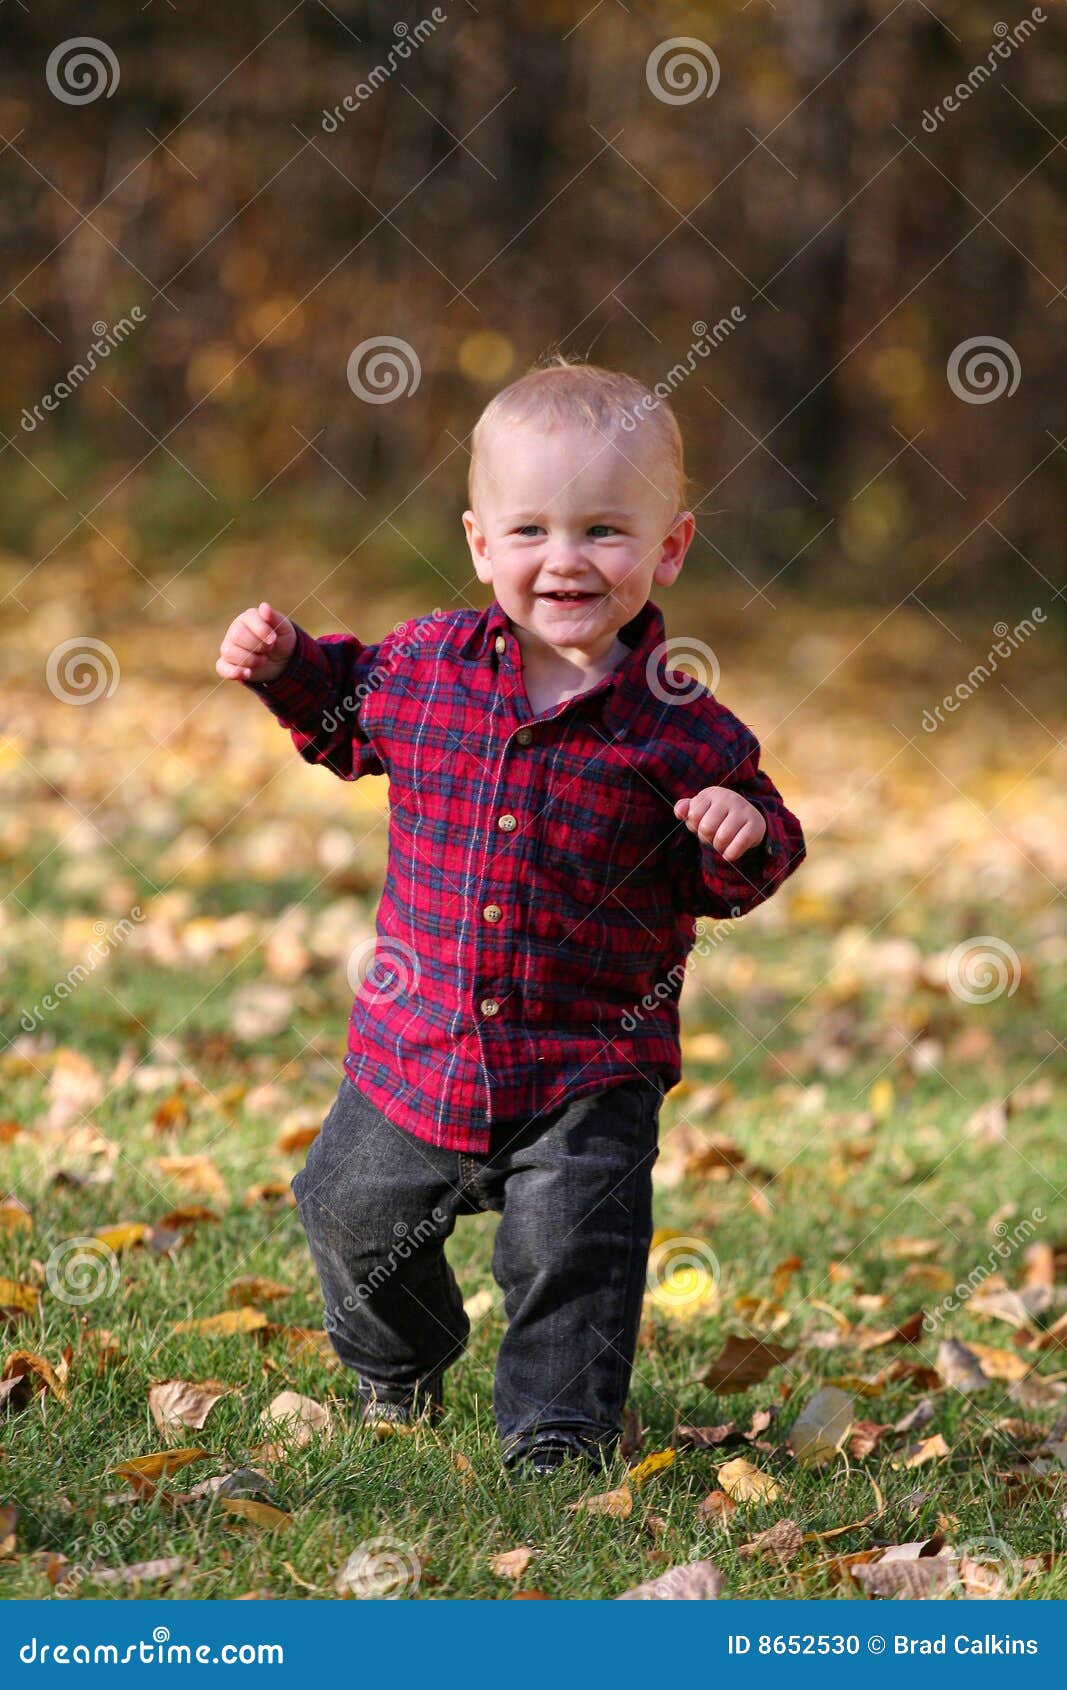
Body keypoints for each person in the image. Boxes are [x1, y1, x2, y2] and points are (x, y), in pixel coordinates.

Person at [216, 358, 807, 1478]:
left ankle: (556, 1431)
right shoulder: (432, 666)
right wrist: (287, 666)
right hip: (417, 1043)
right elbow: (344, 718)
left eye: (602, 531)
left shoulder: (680, 724)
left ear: (668, 547)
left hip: (588, 1055)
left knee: (571, 1250)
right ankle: (404, 1359)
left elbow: (748, 858)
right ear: (482, 544)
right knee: (347, 1211)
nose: (565, 560)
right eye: (530, 529)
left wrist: (740, 828)